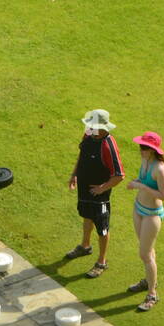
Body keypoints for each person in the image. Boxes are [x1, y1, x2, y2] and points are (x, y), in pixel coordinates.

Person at [66, 108, 126, 278]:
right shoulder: (88, 134)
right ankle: (85, 246)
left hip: (100, 197)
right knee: (86, 216)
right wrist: (74, 174)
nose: (91, 128)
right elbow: (82, 155)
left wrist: (101, 188)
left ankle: (102, 262)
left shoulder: (108, 145)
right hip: (85, 190)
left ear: (104, 127)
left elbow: (119, 175)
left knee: (102, 229)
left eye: (94, 126)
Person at [124, 130, 164, 312]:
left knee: (145, 254)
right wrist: (136, 181)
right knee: (148, 250)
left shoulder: (159, 168)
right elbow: (142, 179)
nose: (140, 150)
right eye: (141, 146)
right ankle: (150, 281)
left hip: (151, 214)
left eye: (144, 147)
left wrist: (140, 185)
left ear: (152, 150)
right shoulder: (145, 161)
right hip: (138, 209)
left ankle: (152, 294)